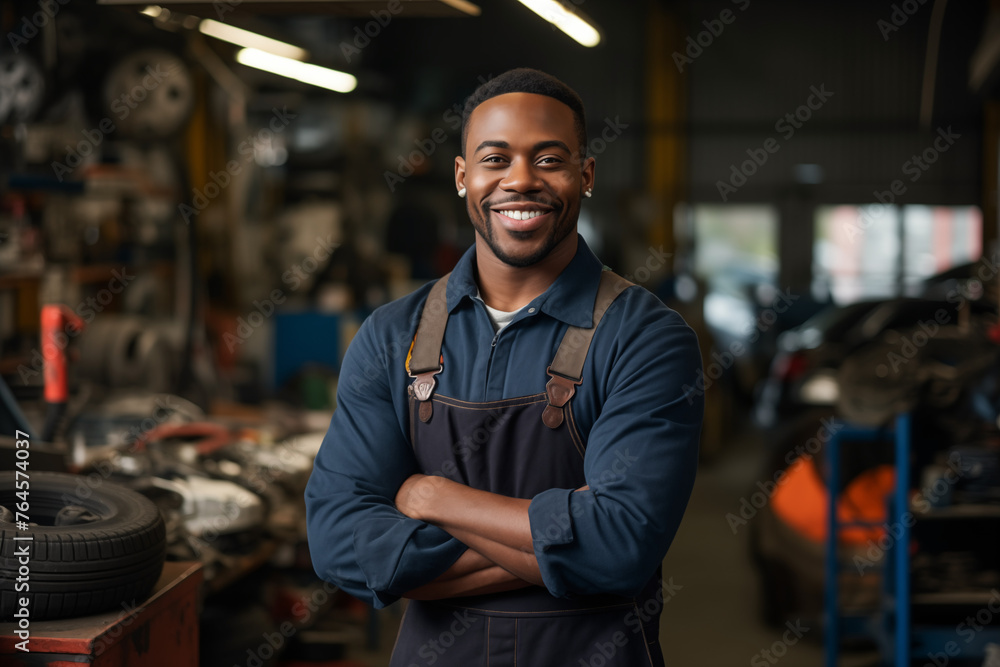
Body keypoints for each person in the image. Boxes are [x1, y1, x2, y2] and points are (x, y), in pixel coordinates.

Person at [305, 68, 703, 667]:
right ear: (463, 177)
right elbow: (338, 544)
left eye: (548, 160)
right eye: (495, 159)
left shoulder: (645, 338)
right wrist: (568, 551)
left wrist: (433, 496)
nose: (520, 180)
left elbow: (622, 546)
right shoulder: (392, 337)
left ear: (585, 176)